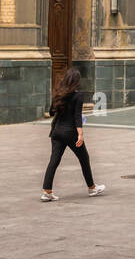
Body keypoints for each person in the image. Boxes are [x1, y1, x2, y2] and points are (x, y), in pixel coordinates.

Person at [41, 68, 105, 202]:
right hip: (71, 133)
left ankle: (47, 192)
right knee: (84, 158)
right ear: (76, 81)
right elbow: (77, 117)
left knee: (54, 161)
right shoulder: (78, 95)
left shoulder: (58, 93)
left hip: (56, 132)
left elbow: (51, 112)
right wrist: (80, 135)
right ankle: (92, 188)